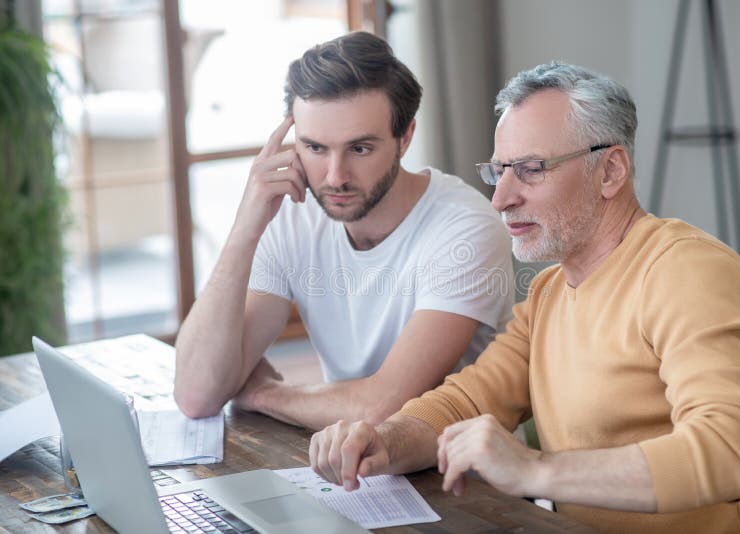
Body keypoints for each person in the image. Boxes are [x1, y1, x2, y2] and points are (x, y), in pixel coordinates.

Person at [308, 61, 740, 533]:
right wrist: (384, 440)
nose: (501, 198)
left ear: (609, 171)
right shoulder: (548, 292)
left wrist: (535, 470)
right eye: (499, 172)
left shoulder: (687, 274)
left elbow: (734, 452)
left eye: (530, 168)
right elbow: (469, 399)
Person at [173, 32, 514, 431]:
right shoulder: (290, 215)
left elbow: (383, 409)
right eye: (315, 148)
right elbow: (197, 395)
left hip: (460, 480)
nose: (335, 177)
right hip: (346, 465)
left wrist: (264, 394)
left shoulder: (464, 228)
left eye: (360, 149)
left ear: (405, 137)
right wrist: (244, 230)